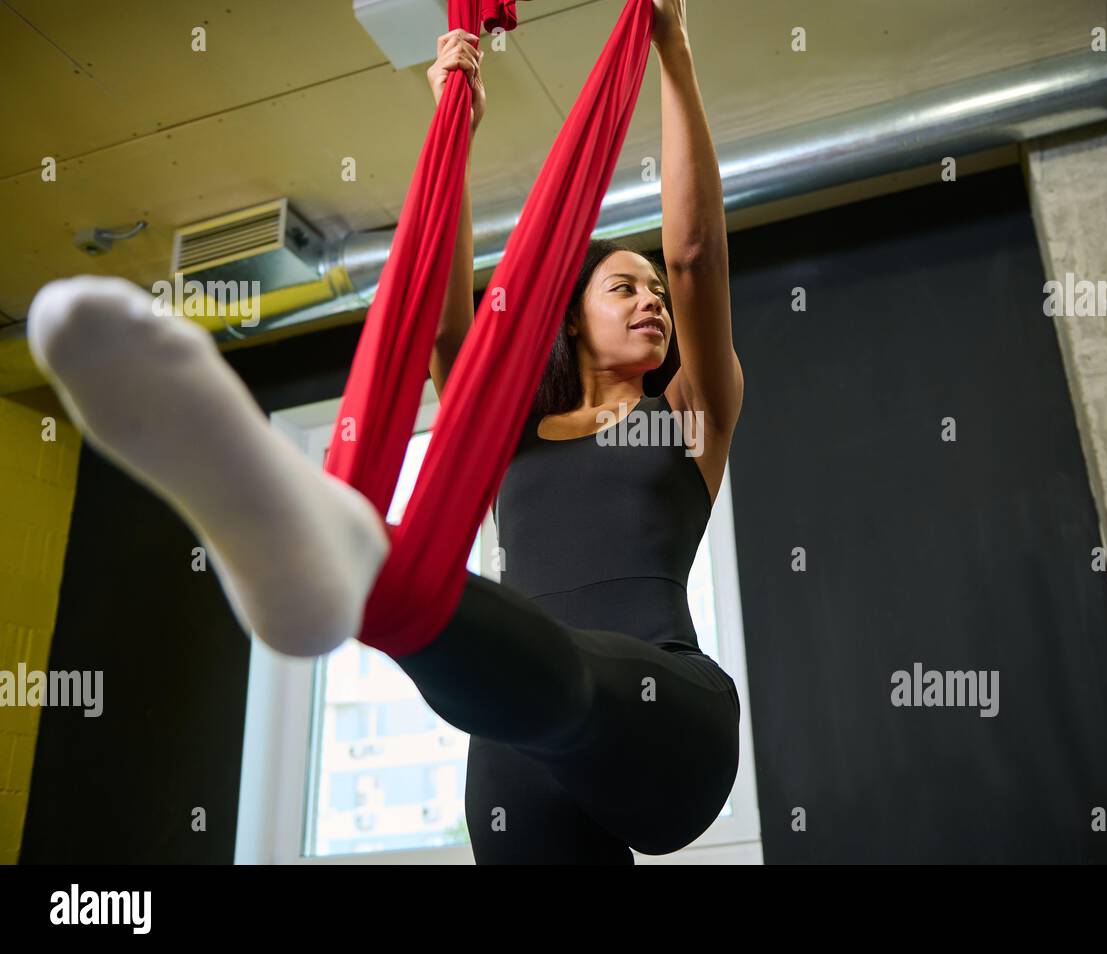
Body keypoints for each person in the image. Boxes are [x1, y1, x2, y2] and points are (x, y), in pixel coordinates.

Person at [26, 0, 742, 863]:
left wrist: (673, 47)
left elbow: (696, 253)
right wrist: (452, 127)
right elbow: (445, 332)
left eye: (654, 291)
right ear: (570, 319)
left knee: (570, 683)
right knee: (517, 683)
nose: (652, 301)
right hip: (508, 748)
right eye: (624, 288)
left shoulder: (693, 413)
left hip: (665, 716)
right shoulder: (505, 429)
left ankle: (349, 562)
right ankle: (347, 574)